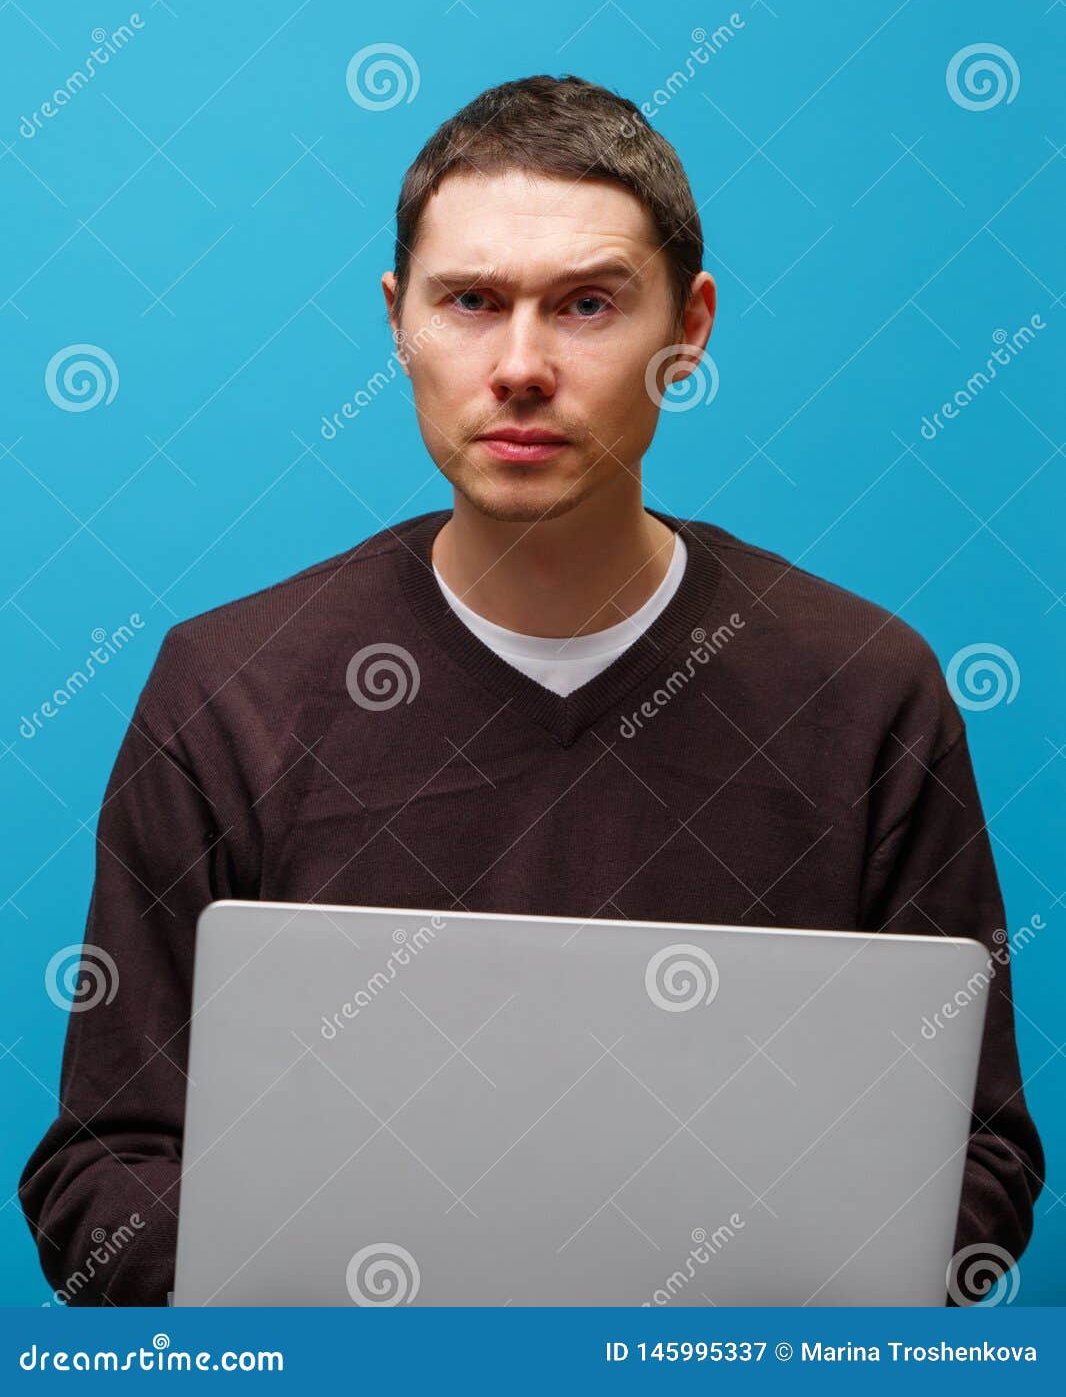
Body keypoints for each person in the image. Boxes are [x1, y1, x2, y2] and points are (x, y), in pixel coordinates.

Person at [20, 75, 1044, 1306]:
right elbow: (102, 1175)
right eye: (469, 302)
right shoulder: (228, 689)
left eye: (588, 305)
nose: (519, 366)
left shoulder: (867, 688)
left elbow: (976, 1158)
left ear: (692, 329)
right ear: (398, 322)